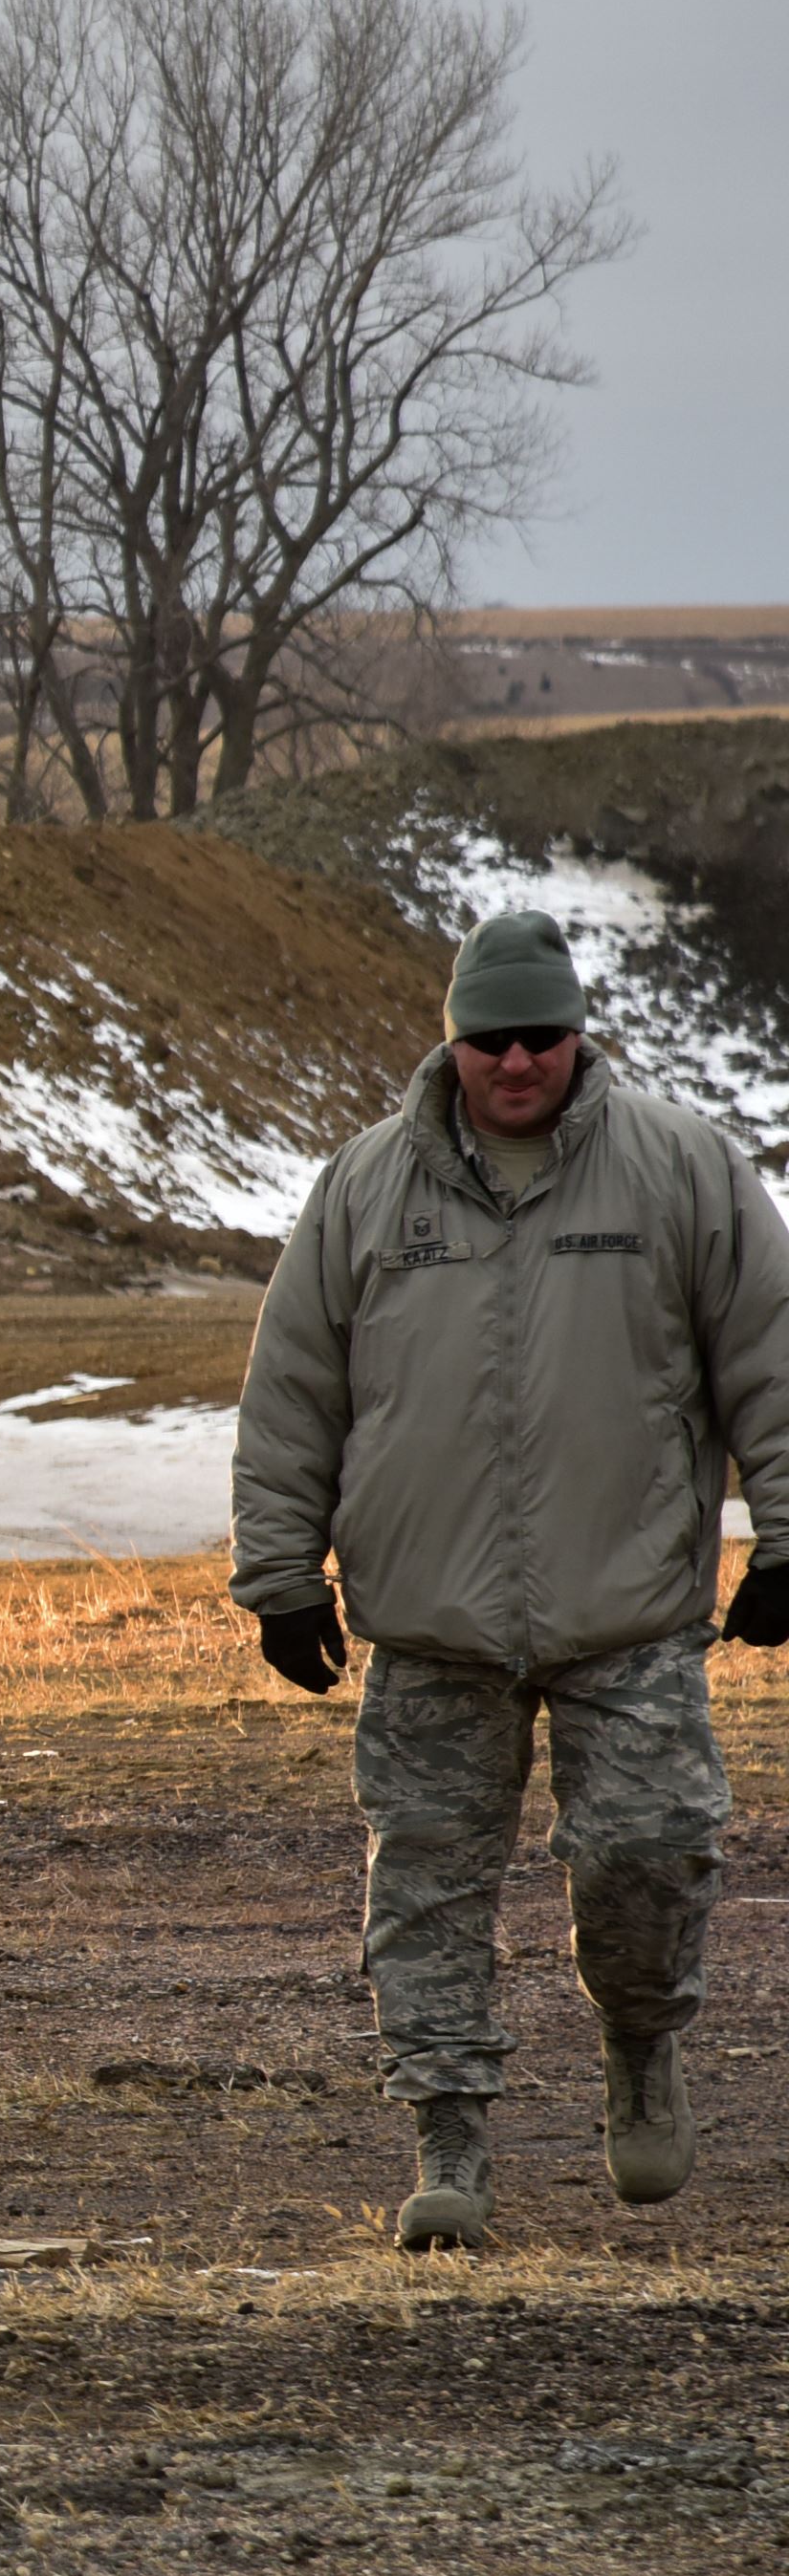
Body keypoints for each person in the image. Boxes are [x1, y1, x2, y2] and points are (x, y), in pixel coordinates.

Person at [230, 907, 789, 2250]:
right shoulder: (364, 1189)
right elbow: (295, 1389)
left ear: (579, 1034)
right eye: (490, 1040)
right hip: (428, 1620)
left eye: (540, 1035)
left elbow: (770, 1354)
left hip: (631, 1611)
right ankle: (449, 2149)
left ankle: (643, 2049)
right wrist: (280, 1573)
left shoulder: (683, 1172)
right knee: (423, 1893)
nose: (516, 1061)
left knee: (651, 1859)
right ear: (455, 1043)